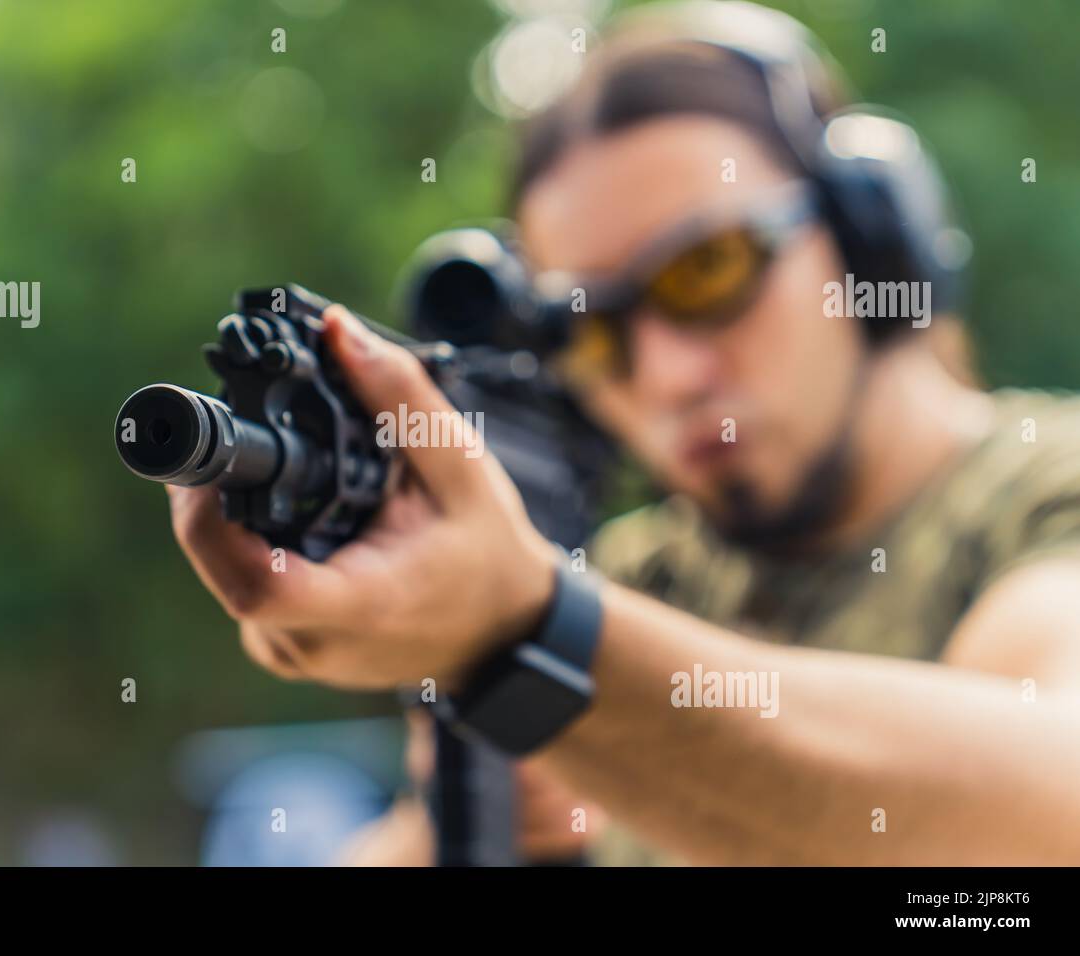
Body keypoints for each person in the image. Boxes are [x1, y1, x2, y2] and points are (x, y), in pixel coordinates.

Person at [164, 1, 1080, 864]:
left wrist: (526, 637)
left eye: (710, 269)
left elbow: (1042, 805)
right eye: (592, 330)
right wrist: (473, 807)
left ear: (870, 236)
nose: (670, 374)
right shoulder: (638, 581)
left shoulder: (1044, 493)